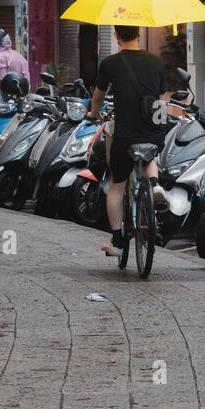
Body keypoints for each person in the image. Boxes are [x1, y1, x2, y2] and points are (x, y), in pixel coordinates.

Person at [88, 26, 172, 258]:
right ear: (138, 35)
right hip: (153, 131)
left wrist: (94, 113)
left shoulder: (110, 63)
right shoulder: (157, 62)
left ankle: (118, 239)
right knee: (149, 155)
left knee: (116, 184)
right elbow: (163, 98)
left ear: (116, 36)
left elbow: (99, 95)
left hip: (125, 135)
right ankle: (154, 186)